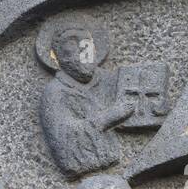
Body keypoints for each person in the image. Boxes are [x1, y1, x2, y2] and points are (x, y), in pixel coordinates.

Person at [39, 26, 134, 176]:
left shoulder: (109, 80)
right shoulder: (55, 92)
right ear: (60, 58)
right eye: (73, 49)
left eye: (86, 47)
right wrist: (108, 118)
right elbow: (63, 139)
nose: (83, 55)